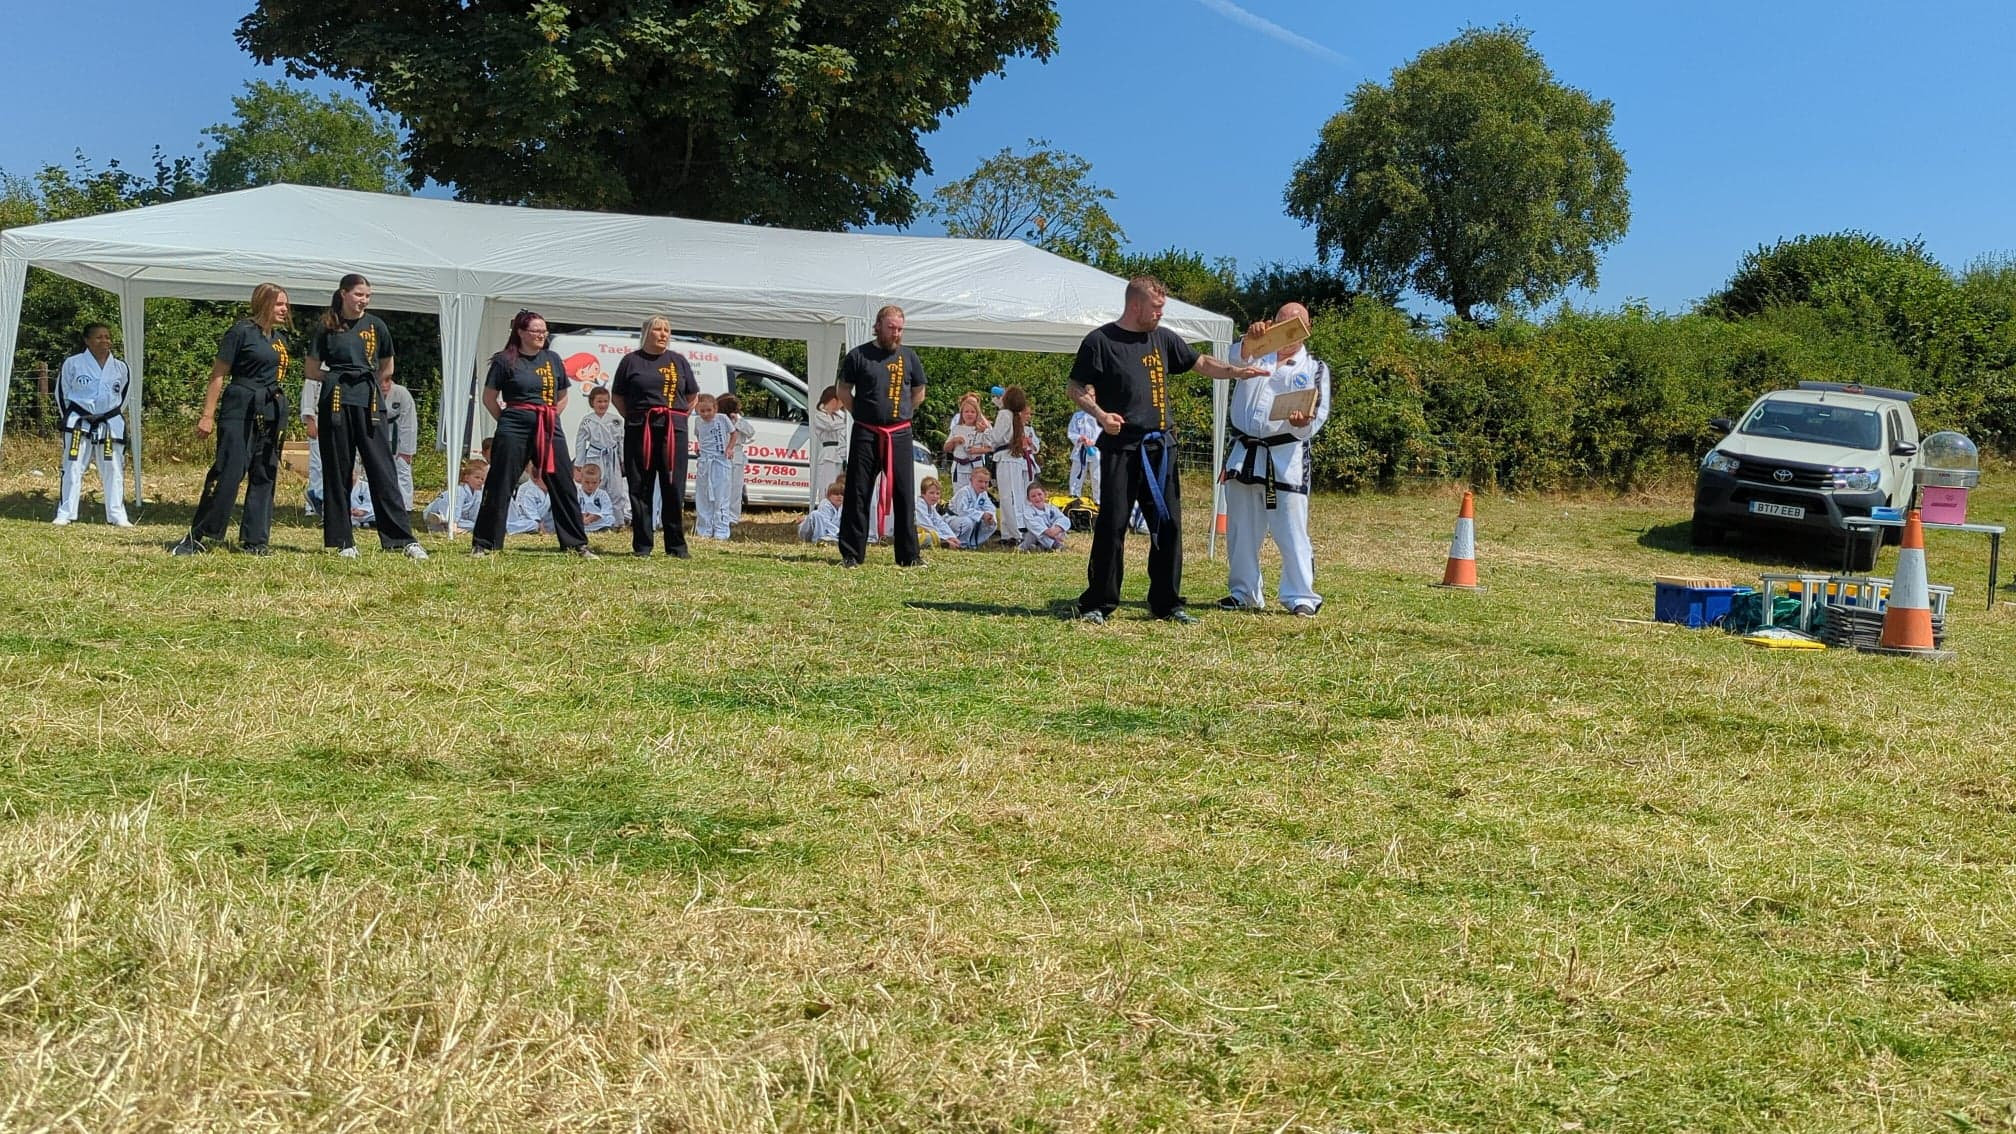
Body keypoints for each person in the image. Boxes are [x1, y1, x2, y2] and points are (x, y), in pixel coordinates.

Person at [1067, 275, 1266, 622]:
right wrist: (1100, 415)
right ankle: (1098, 603)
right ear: (1135, 306)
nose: (1161, 313)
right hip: (1121, 448)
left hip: (1160, 448)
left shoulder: (1162, 338)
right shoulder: (1101, 341)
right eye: (1156, 307)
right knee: (1112, 525)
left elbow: (1200, 362)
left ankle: (1167, 603)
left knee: (1168, 525)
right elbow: (1075, 386)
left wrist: (1236, 372)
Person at [300, 273, 425, 560]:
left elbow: (387, 366)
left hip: (369, 402)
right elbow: (311, 369)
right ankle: (342, 540)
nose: (363, 300)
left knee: (383, 469)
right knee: (338, 470)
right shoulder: (327, 326)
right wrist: (336, 380)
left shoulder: (376, 326)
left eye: (367, 296)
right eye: (358, 294)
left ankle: (400, 539)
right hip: (336, 402)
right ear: (343, 294)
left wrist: (368, 384)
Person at [1220, 302, 1332, 616]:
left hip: (1285, 456)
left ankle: (1301, 596)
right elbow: (1231, 360)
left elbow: (1317, 414)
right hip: (1245, 452)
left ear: (1308, 329)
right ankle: (1244, 593)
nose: (1291, 329)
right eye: (1283, 322)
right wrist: (1250, 339)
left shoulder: (1313, 368)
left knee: (1291, 529)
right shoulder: (1256, 351)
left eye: (1298, 324)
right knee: (1241, 528)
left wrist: (1303, 423)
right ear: (1273, 324)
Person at [174, 282, 296, 556]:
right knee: (229, 471)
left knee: (264, 472)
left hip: (270, 410)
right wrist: (207, 415)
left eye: (285, 304)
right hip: (240, 407)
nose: (284, 309)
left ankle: (255, 540)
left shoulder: (279, 339)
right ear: (263, 303)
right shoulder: (241, 332)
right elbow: (218, 374)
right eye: (279, 304)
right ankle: (200, 535)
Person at [470, 310, 595, 557]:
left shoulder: (552, 359)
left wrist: (550, 419)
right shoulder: (505, 361)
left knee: (563, 483)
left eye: (544, 331)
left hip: (548, 425)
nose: (541, 335)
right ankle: (485, 542)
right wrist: (508, 421)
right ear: (521, 332)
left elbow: (562, 396)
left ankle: (576, 543)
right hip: (515, 424)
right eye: (535, 331)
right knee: (500, 483)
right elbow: (489, 398)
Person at [835, 305, 929, 568]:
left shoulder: (909, 357)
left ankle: (909, 556)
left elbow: (919, 392)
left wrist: (903, 413)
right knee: (858, 491)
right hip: (866, 432)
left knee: (904, 493)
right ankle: (852, 554)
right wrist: (860, 414)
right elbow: (843, 391)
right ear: (877, 326)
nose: (896, 333)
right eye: (891, 328)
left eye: (900, 329)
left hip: (899, 434)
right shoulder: (858, 356)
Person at [610, 315, 696, 558]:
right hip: (641, 428)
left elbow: (692, 396)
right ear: (647, 332)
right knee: (640, 486)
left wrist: (676, 418)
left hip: (672, 430)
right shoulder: (631, 361)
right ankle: (643, 545)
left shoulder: (678, 361)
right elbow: (618, 396)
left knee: (673, 486)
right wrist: (637, 417)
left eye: (667, 330)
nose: (663, 334)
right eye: (658, 329)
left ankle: (676, 546)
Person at [52, 322, 132, 527]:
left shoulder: (121, 367)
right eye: (99, 337)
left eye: (107, 337)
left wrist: (107, 415)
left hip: (109, 423)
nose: (105, 340)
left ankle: (117, 514)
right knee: (72, 466)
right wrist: (73, 417)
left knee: (114, 468)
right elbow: (62, 394)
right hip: (79, 421)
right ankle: (65, 512)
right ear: (87, 341)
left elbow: (123, 397)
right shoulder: (73, 364)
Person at [982, 385, 1040, 544]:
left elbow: (996, 438)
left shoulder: (1005, 414)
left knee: (1008, 496)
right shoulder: (1013, 414)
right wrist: (999, 402)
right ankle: (1008, 534)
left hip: (1006, 459)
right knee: (1013, 495)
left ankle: (1016, 533)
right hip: (1013, 459)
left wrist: (985, 430)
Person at [574, 385, 628, 528]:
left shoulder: (616, 420)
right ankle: (594, 521)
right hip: (595, 457)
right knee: (597, 487)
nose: (602, 404)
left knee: (616, 490)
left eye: (605, 401)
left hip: (613, 458)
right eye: (599, 401)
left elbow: (622, 441)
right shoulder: (587, 421)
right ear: (592, 402)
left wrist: (623, 459)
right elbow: (580, 442)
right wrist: (579, 464)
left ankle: (618, 522)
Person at [691, 393, 735, 540]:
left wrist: (729, 448)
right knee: (703, 497)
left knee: (720, 496)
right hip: (705, 462)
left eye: (709, 410)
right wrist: (700, 448)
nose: (706, 414)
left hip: (720, 461)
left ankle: (721, 530)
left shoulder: (722, 419)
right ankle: (704, 529)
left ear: (715, 408)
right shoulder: (698, 422)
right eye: (702, 411)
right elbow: (699, 437)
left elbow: (733, 433)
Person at [378, 371, 419, 512]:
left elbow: (409, 424)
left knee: (402, 468)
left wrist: (407, 451)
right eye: (381, 381)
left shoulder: (402, 393)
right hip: (376, 435)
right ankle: (376, 504)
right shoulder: (369, 392)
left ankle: (406, 506)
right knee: (376, 470)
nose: (384, 385)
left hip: (399, 438)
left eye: (387, 380)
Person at [808, 385, 851, 511]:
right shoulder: (819, 415)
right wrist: (846, 422)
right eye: (840, 402)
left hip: (840, 453)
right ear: (833, 400)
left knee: (839, 485)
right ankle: (824, 511)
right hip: (828, 453)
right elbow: (830, 426)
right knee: (827, 484)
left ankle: (837, 512)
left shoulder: (840, 416)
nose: (841, 405)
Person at [943, 391, 993, 492]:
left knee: (976, 495)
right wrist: (954, 441)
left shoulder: (982, 429)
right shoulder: (956, 428)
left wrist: (977, 450)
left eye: (972, 412)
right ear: (961, 414)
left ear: (977, 414)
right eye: (966, 412)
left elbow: (991, 448)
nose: (969, 414)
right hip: (959, 468)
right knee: (960, 495)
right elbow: (946, 448)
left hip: (976, 468)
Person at [424, 459, 487, 534]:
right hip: (436, 510)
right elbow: (456, 507)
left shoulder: (477, 493)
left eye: (482, 479)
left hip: (454, 517)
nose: (480, 481)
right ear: (466, 478)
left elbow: (475, 511)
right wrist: (454, 525)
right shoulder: (460, 490)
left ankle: (443, 523)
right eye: (477, 477)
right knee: (453, 517)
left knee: (476, 525)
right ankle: (442, 519)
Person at [721, 392, 757, 524]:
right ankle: (721, 514)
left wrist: (738, 421)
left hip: (736, 455)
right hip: (722, 454)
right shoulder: (719, 418)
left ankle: (732, 517)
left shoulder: (739, 419)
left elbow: (751, 432)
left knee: (735, 488)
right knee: (721, 487)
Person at [950, 465, 999, 547]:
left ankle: (972, 543)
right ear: (971, 480)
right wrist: (982, 515)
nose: (983, 485)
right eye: (980, 481)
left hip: (971, 519)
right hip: (954, 519)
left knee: (992, 524)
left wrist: (989, 517)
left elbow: (990, 507)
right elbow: (962, 511)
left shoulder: (983, 494)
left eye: (986, 482)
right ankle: (959, 543)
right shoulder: (964, 492)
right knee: (967, 522)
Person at [914, 475, 963, 550]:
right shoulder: (919, 506)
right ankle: (943, 543)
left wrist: (951, 536)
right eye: (931, 493)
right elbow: (927, 526)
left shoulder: (931, 507)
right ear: (923, 494)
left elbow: (940, 523)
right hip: (913, 533)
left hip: (926, 532)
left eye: (937, 493)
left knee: (931, 536)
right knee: (928, 537)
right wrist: (945, 539)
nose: (935, 496)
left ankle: (943, 543)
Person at [1017, 484, 1071, 552]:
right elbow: (1035, 527)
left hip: (1053, 534)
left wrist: (1056, 530)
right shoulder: (1028, 512)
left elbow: (1064, 519)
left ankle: (1039, 547)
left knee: (1061, 522)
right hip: (1034, 536)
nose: (1037, 498)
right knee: (1037, 531)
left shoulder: (1051, 508)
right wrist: (1048, 532)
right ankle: (1054, 545)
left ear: (1045, 494)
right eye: (1033, 496)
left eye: (1039, 494)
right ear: (1028, 499)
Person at [1066, 407, 1102, 502]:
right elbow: (1071, 432)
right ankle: (1074, 496)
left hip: (1096, 450)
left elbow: (1104, 433)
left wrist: (1094, 442)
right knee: (1077, 474)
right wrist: (1080, 438)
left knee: (1097, 476)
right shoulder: (1077, 416)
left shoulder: (1100, 415)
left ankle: (1098, 500)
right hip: (1080, 448)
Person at [506, 464, 553, 535]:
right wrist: (539, 524)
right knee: (534, 524)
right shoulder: (526, 489)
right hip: (525, 519)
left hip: (546, 522)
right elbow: (529, 511)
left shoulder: (550, 489)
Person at [797, 479, 845, 544]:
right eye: (836, 494)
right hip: (808, 532)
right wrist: (838, 532)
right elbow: (825, 522)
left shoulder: (842, 507)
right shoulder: (825, 504)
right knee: (815, 514)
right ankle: (819, 540)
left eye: (842, 494)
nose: (840, 496)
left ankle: (828, 538)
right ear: (829, 496)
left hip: (830, 533)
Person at [577, 464, 616, 533]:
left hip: (600, 524)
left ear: (599, 482)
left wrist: (595, 516)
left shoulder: (602, 494)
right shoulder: (576, 493)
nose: (590, 486)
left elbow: (607, 510)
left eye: (594, 483)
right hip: (583, 523)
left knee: (609, 519)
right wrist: (582, 516)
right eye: (587, 482)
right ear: (581, 480)